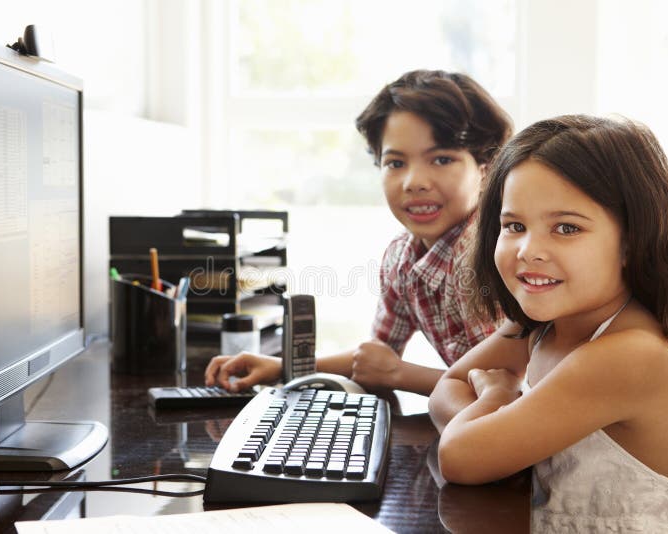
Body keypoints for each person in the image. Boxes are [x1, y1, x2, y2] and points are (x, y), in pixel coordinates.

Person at [428, 115, 668, 532]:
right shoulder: (543, 325)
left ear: (632, 242)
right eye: (514, 226)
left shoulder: (631, 355)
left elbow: (458, 455)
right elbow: (446, 389)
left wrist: (496, 396)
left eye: (566, 228)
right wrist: (495, 433)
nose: (529, 250)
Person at [205, 69, 512, 396]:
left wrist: (399, 374)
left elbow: (507, 390)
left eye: (441, 159)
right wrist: (282, 367)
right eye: (395, 163)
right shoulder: (402, 257)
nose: (414, 182)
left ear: (486, 168)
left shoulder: (488, 252)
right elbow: (374, 359)